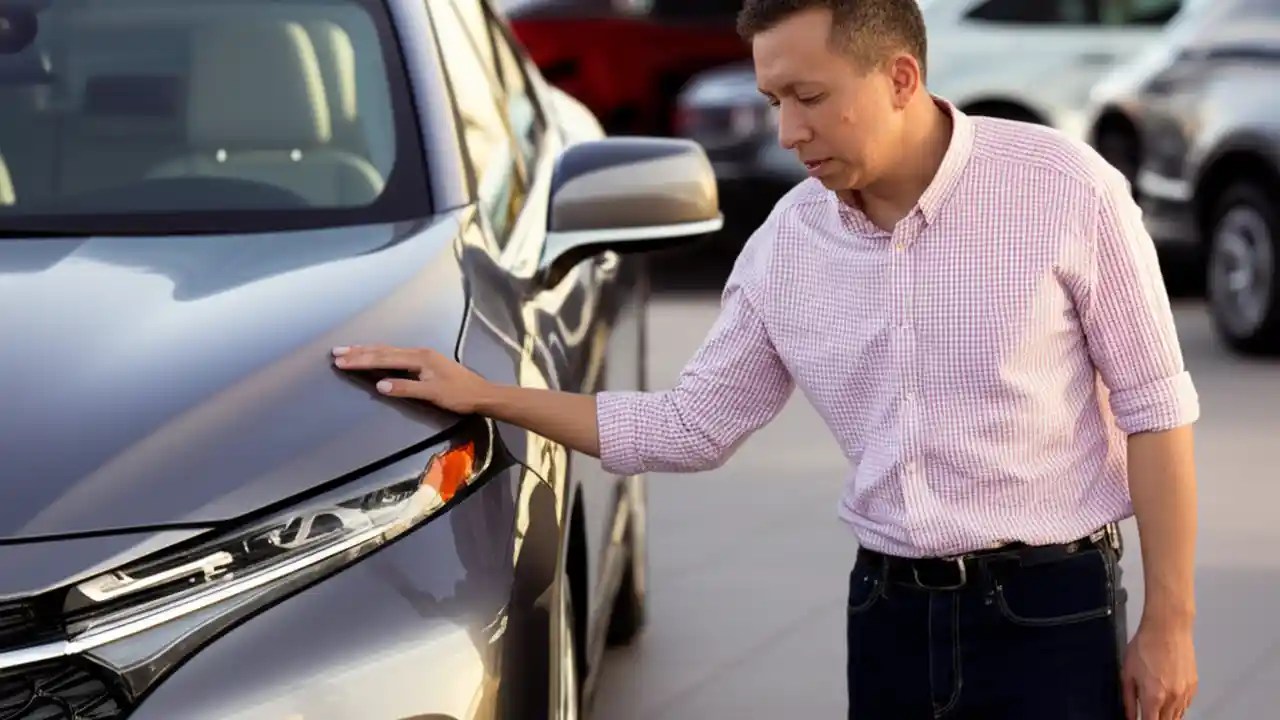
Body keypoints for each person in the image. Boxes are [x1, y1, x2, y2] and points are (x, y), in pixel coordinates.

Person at [332, 0, 1200, 717]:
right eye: (773, 98)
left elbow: (1158, 412)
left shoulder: (1065, 191)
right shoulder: (789, 245)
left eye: (809, 96)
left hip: (1053, 612)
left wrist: (1170, 624)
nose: (786, 130)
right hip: (887, 615)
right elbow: (691, 426)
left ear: (901, 78)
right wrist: (487, 395)